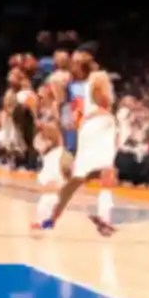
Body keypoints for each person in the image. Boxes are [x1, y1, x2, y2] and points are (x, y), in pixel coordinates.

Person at [35, 45, 119, 236]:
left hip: (85, 127)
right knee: (106, 173)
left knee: (77, 179)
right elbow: (107, 102)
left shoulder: (76, 83)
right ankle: (105, 217)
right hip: (100, 123)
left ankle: (52, 218)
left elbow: (65, 106)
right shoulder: (98, 78)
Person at [30, 122, 72, 228]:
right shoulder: (50, 156)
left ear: (49, 142)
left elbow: (56, 182)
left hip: (56, 195)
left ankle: (46, 223)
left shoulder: (57, 156)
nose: (37, 141)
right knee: (44, 203)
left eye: (41, 138)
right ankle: (43, 222)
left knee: (47, 202)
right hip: (53, 194)